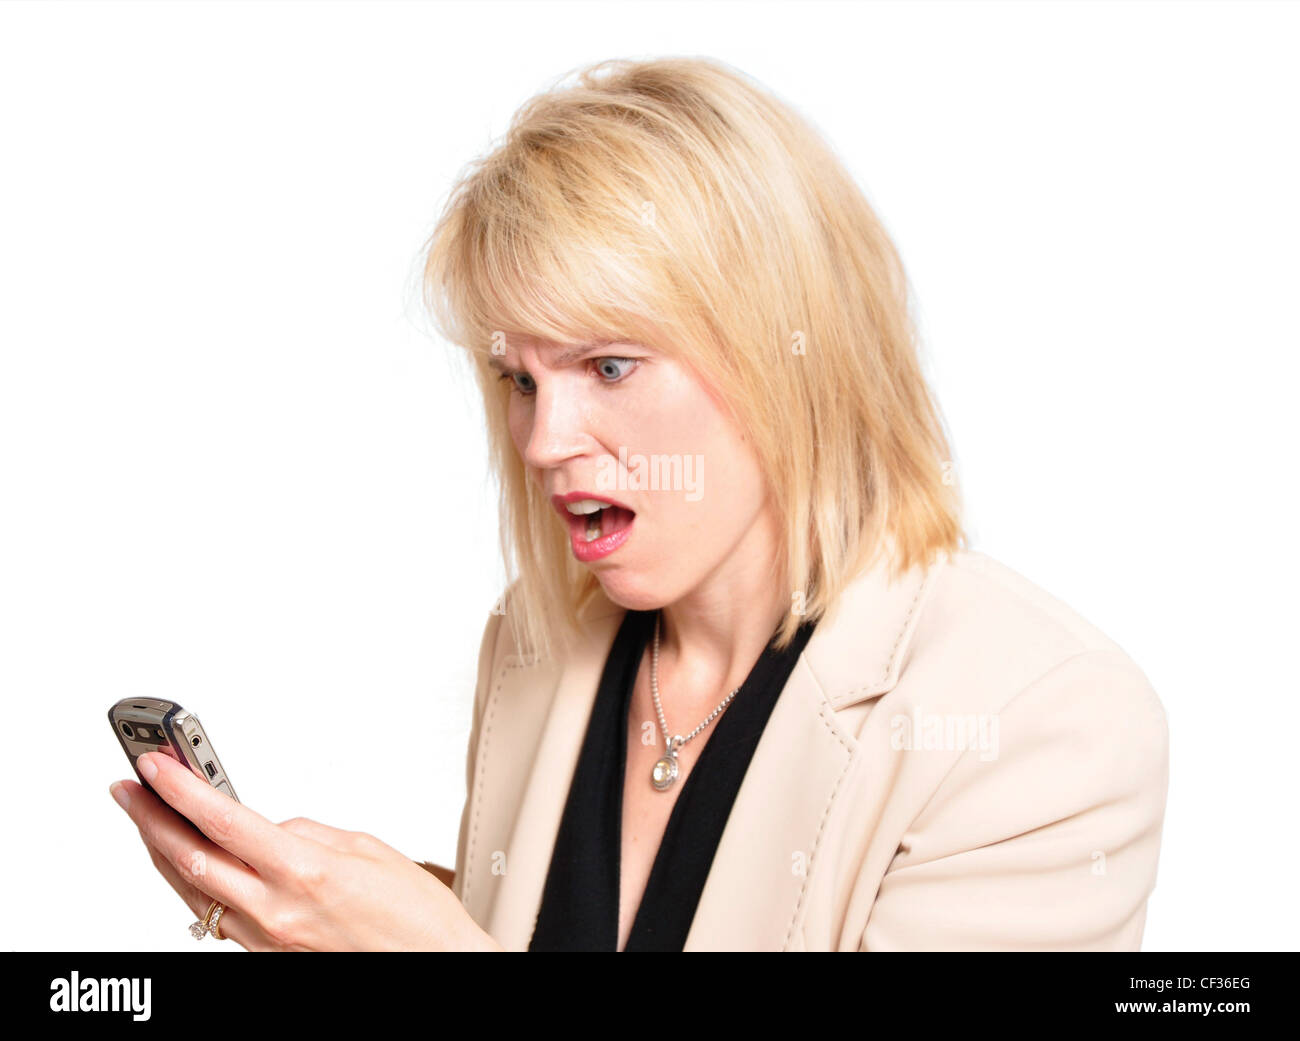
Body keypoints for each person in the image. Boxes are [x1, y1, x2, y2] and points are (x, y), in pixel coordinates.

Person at [108, 55, 1169, 952]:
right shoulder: (539, 645)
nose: (541, 440)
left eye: (609, 367)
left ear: (789, 358)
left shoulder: (1041, 723)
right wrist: (306, 914)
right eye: (520, 380)